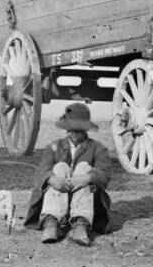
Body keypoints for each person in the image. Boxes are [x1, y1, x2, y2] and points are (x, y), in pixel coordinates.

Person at [23, 102, 114, 246]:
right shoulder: (54, 147)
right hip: (58, 195)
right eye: (71, 130)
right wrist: (51, 179)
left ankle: (80, 224)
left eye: (79, 130)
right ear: (66, 129)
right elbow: (42, 170)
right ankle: (51, 221)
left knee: (84, 167)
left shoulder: (98, 148)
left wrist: (87, 177)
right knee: (59, 167)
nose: (74, 134)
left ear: (86, 130)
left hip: (86, 199)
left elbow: (105, 172)